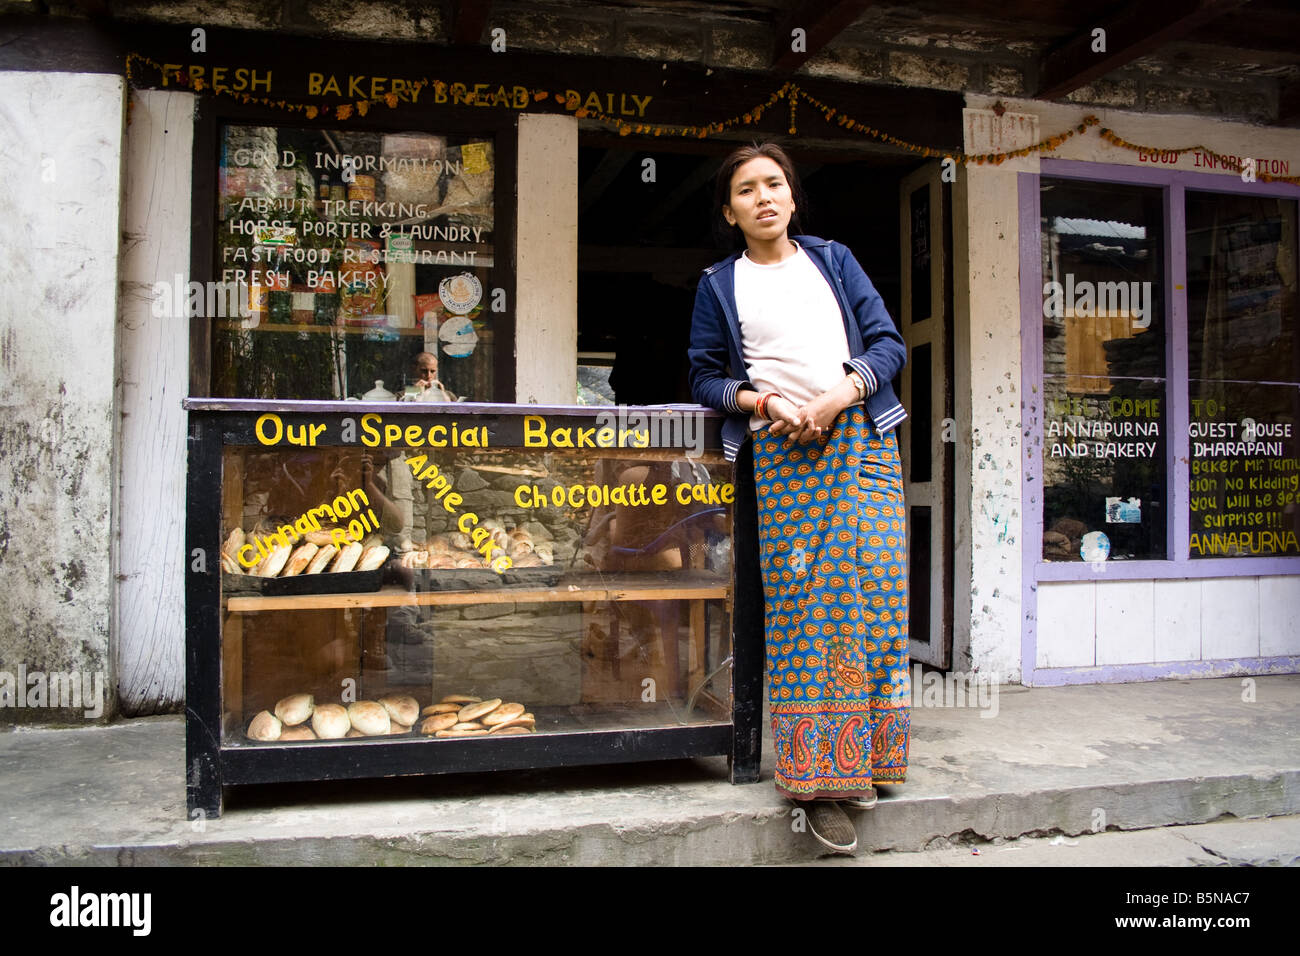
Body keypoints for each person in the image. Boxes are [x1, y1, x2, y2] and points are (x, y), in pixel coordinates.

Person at [687, 142, 910, 855]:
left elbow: (888, 344)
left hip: (861, 442)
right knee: (807, 608)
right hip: (784, 452)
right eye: (746, 189)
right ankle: (816, 783)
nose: (763, 197)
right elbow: (704, 377)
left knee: (873, 592)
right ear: (730, 210)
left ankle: (868, 759)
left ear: (791, 197)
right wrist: (763, 401)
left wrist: (843, 392)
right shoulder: (719, 284)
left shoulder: (835, 260)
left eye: (774, 184)